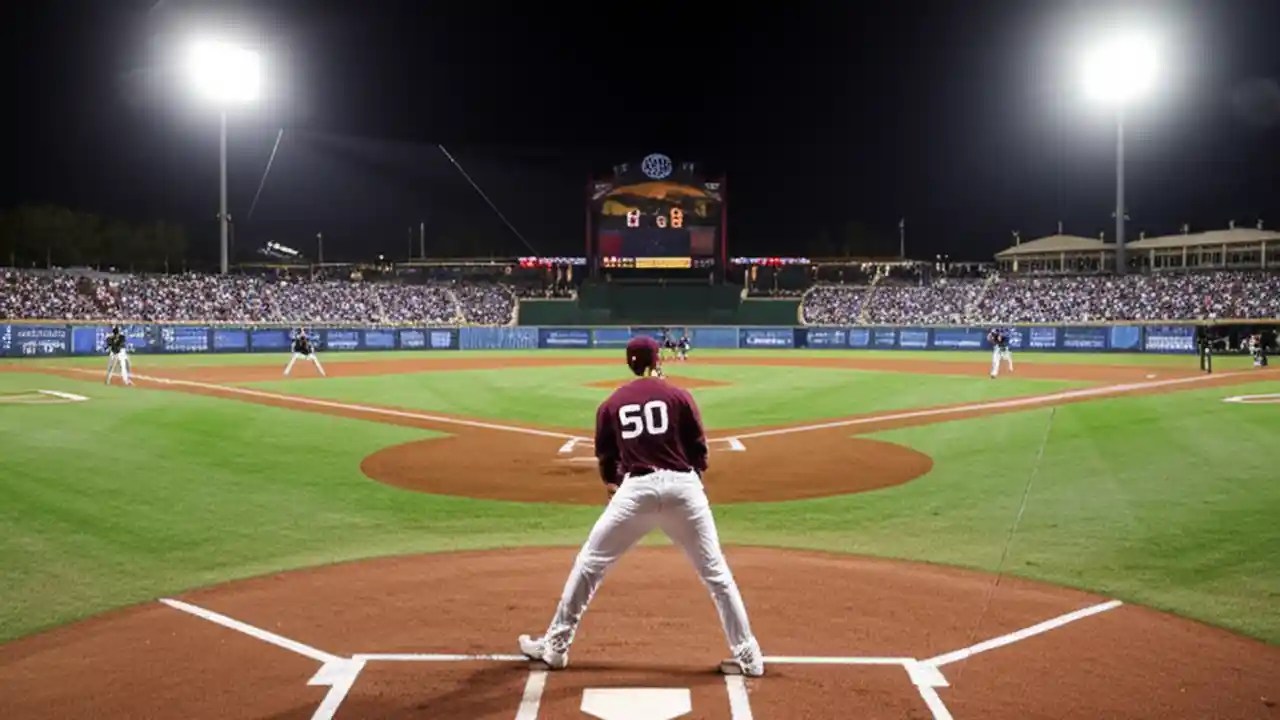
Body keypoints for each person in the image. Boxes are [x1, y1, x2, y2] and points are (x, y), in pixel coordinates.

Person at [518, 336, 763, 676]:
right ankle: (750, 656)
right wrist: (693, 484)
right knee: (717, 575)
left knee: (590, 564)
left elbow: (607, 458)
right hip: (684, 488)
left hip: (637, 489)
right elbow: (698, 450)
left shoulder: (611, 403)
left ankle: (556, 646)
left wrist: (613, 484)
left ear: (630, 363)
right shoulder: (680, 396)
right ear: (657, 359)